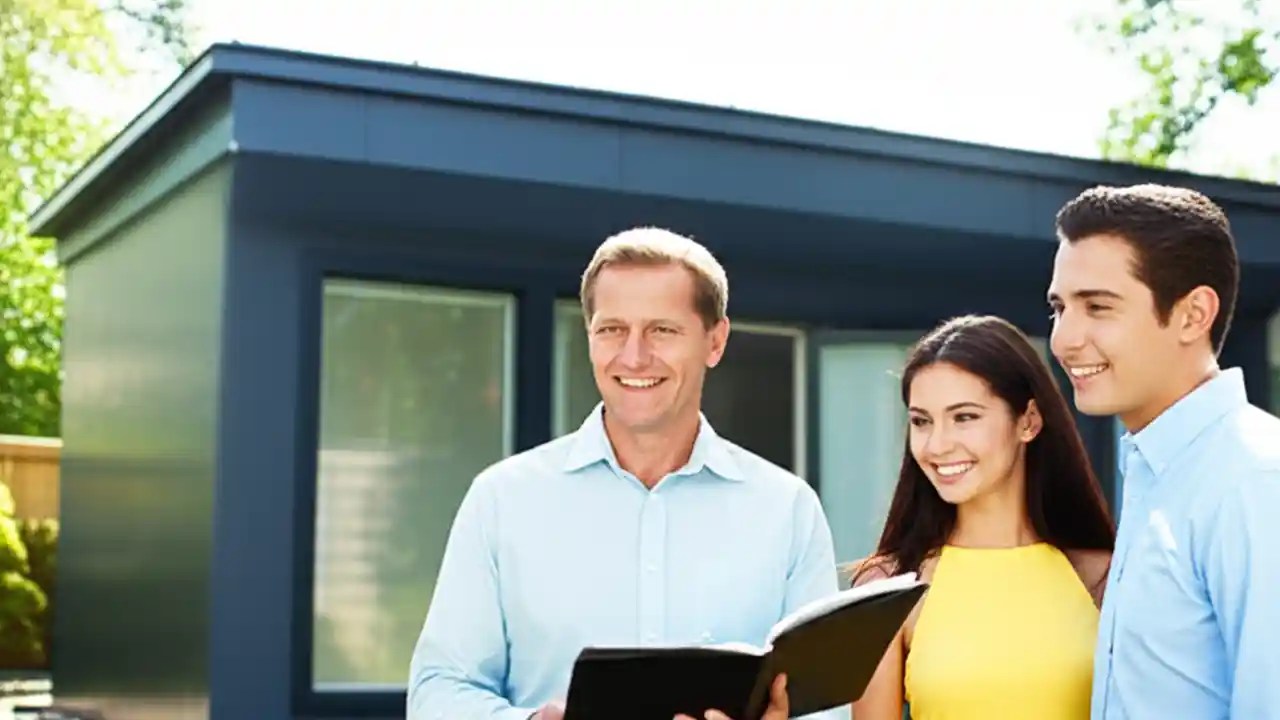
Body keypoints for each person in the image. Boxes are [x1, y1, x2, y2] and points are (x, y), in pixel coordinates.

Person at [406, 227, 844, 720]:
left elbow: (823, 711)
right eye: (612, 329)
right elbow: (437, 694)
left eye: (663, 330)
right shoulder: (502, 501)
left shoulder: (787, 511)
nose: (634, 356)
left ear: (715, 342)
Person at [1047, 183, 1280, 719]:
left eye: (1098, 307)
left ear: (1193, 314)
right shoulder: (1158, 470)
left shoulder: (1253, 481)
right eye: (1059, 307)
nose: (1064, 339)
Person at [848, 314, 1116, 720]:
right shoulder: (888, 586)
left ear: (1028, 421)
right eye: (921, 421)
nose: (937, 445)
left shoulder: (1103, 579)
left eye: (965, 417)